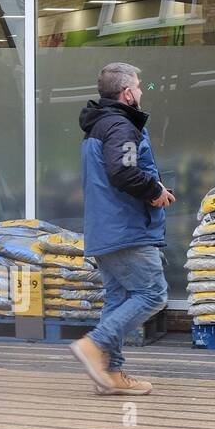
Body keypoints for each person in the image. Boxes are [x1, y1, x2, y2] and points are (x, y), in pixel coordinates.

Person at [70, 62, 172, 395]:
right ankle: (94, 345)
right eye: (140, 86)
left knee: (118, 299)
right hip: (126, 229)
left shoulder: (99, 125)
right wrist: (155, 191)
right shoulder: (121, 126)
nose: (142, 91)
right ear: (127, 93)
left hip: (105, 228)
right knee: (152, 293)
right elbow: (124, 172)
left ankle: (111, 374)